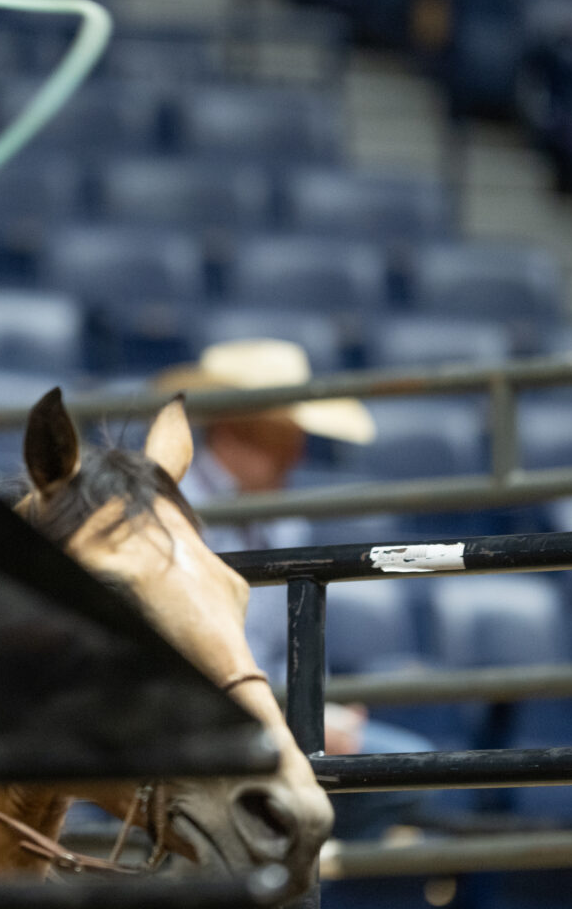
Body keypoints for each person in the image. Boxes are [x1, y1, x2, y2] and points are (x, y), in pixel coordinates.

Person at [153, 337, 432, 841]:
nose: (299, 448)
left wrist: (316, 711)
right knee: (400, 778)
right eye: (288, 431)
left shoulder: (282, 518)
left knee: (413, 771)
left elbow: (286, 641)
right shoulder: (171, 510)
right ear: (243, 427)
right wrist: (293, 717)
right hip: (202, 720)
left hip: (266, 712)